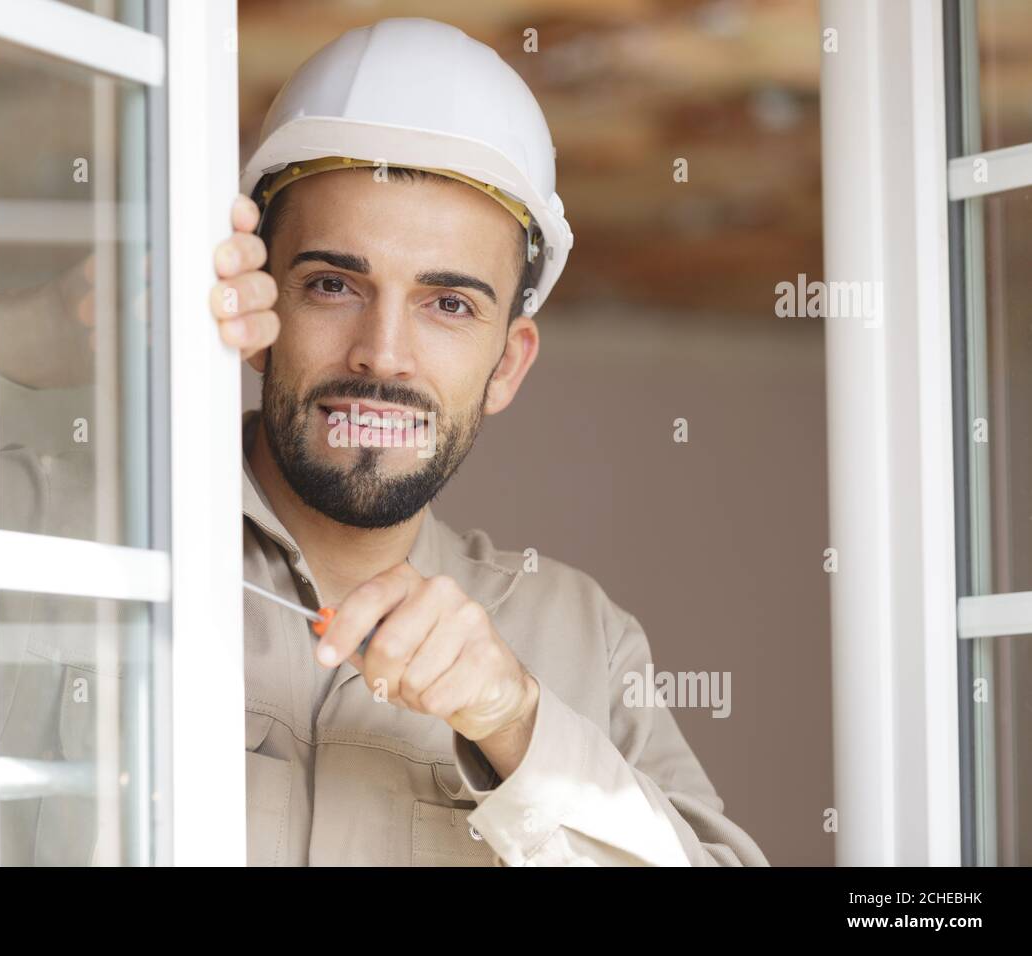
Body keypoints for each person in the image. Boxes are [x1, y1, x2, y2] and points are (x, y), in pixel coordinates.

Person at [213, 17, 768, 865]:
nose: (382, 355)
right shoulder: (68, 531)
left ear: (507, 365)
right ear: (258, 310)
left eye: (448, 304)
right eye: (332, 283)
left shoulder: (585, 639)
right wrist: (37, 341)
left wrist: (514, 723)